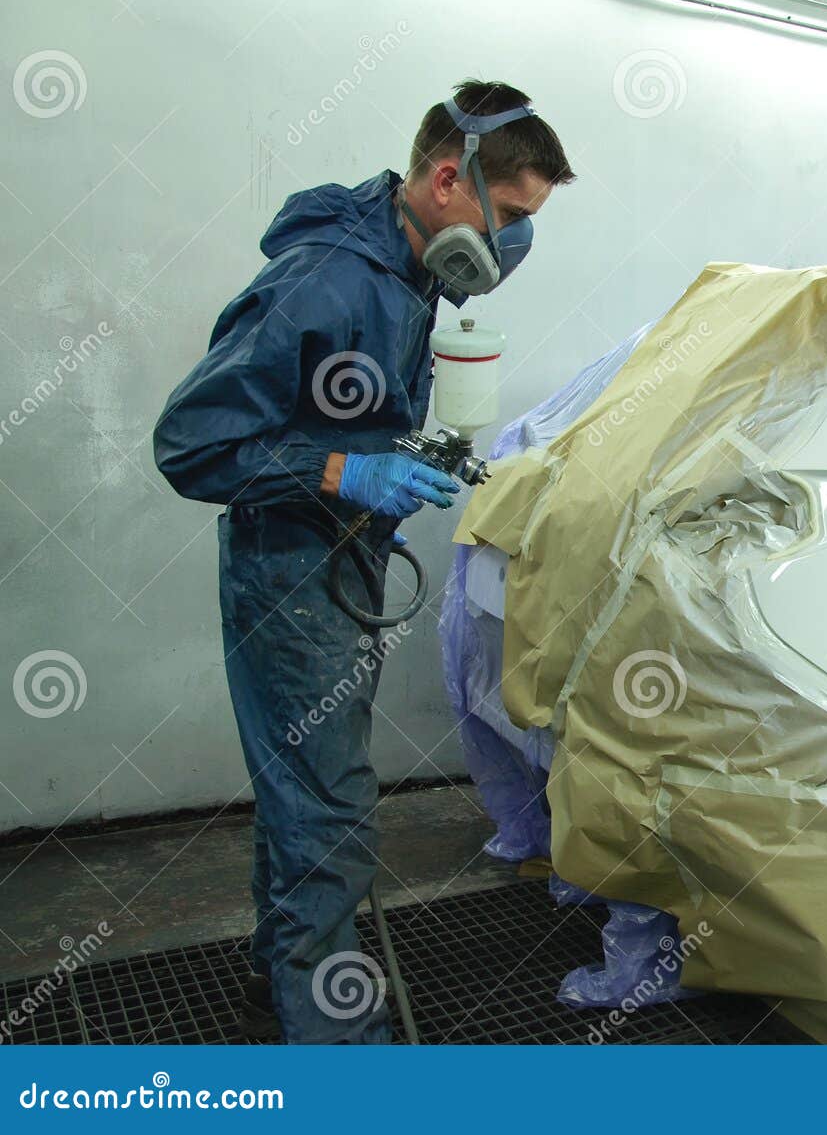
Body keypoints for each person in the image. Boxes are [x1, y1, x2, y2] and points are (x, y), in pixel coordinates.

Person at [152, 80, 574, 1043]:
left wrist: (409, 454)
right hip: (294, 577)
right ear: (444, 179)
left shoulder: (407, 273)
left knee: (303, 789)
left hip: (330, 562)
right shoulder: (329, 278)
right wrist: (347, 469)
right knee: (333, 809)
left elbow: (333, 412)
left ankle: (279, 974)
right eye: (509, 216)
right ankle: (337, 1047)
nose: (513, 246)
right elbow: (190, 443)